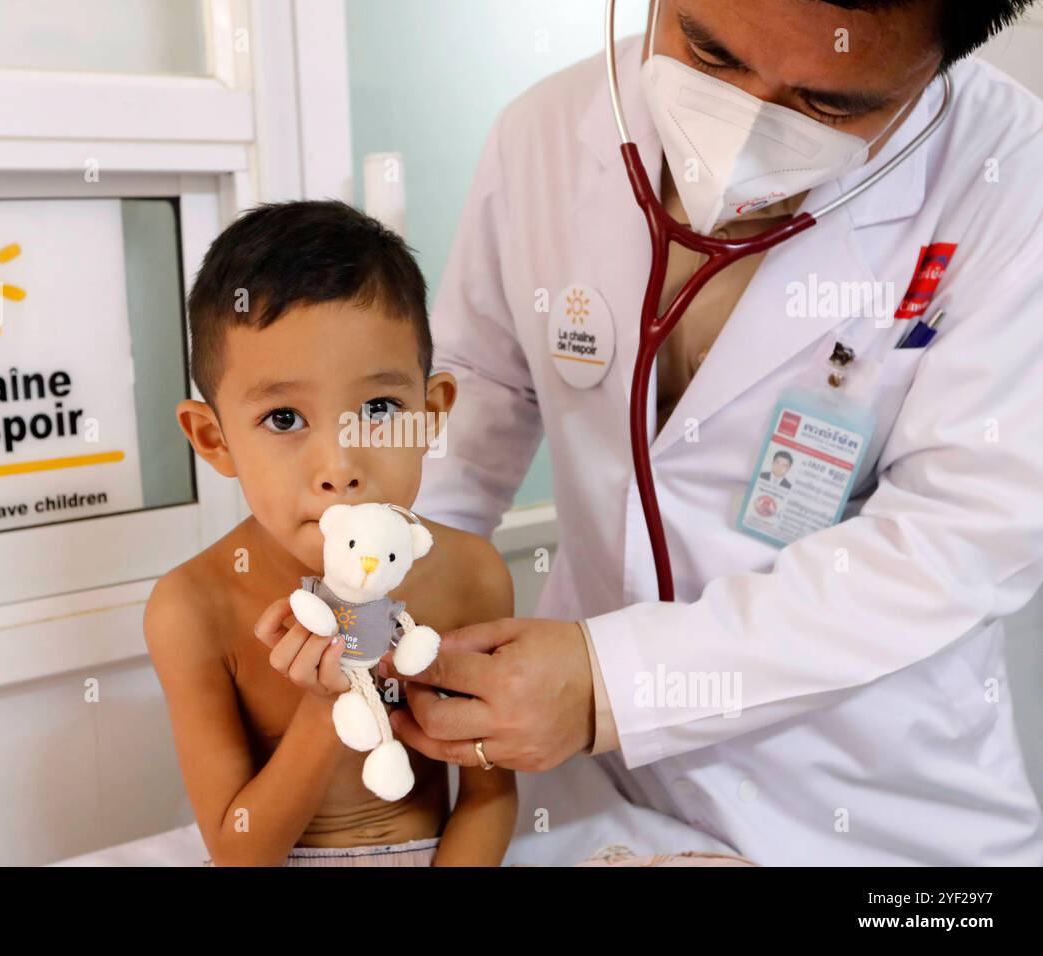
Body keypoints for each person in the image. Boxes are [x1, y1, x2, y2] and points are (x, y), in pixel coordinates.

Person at [393, 0, 1043, 864]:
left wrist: (613, 683)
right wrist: (380, 576)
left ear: (940, 62)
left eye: (828, 105)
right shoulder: (545, 133)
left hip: (866, 814)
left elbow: (959, 536)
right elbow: (473, 396)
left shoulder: (1012, 181)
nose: (744, 126)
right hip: (597, 791)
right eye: (708, 51)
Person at [143, 200, 518, 866]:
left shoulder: (472, 574)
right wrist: (327, 707)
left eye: (379, 409)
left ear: (429, 417)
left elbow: (488, 798)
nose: (340, 469)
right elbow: (238, 853)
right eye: (284, 419)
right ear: (214, 438)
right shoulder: (191, 607)